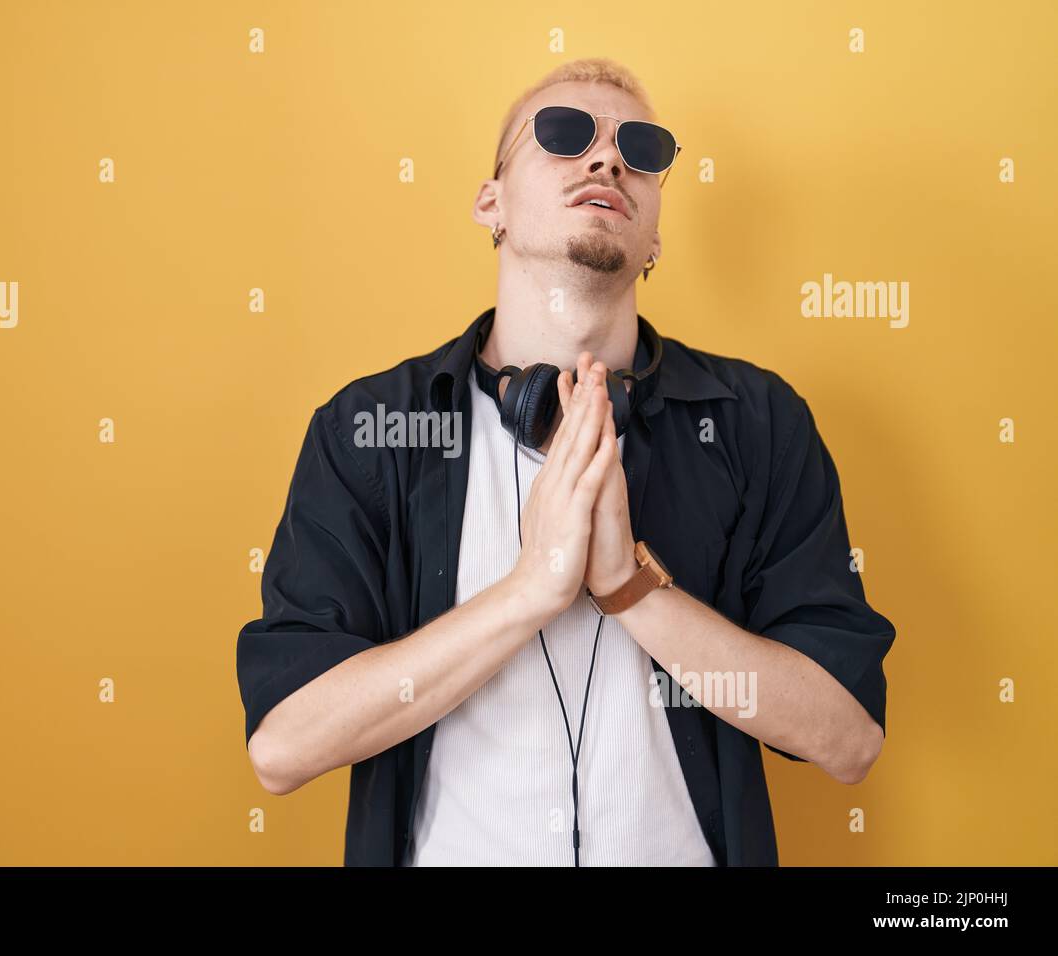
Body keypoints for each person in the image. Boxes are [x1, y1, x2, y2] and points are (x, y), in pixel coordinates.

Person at [236, 57, 897, 866]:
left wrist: (632, 590)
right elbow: (283, 745)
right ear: (493, 204)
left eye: (643, 148)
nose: (608, 160)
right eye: (563, 133)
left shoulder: (756, 423)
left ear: (654, 235)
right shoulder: (369, 428)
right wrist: (528, 592)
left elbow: (848, 736)